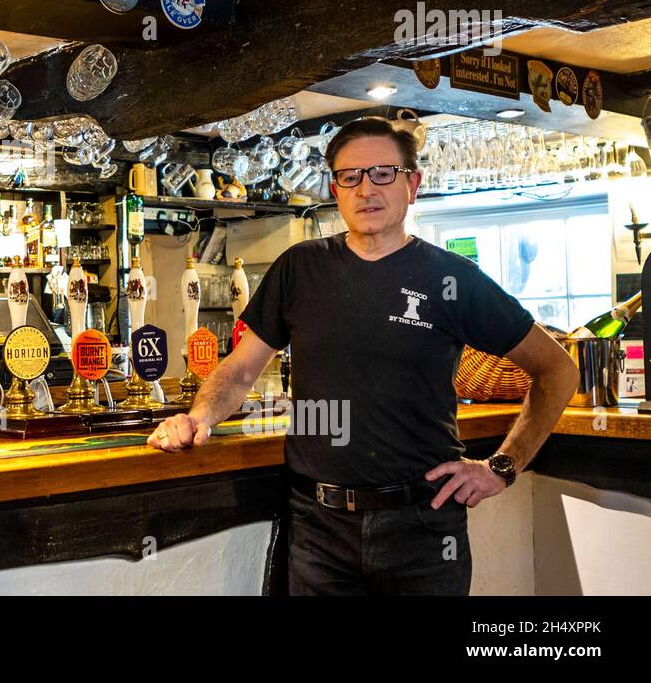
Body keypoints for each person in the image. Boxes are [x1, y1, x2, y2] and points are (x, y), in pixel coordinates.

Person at [148, 116, 577, 594]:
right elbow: (243, 369)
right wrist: (200, 418)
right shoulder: (300, 268)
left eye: (383, 173)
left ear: (412, 183)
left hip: (423, 525)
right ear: (335, 188)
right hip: (318, 528)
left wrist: (502, 465)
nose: (366, 188)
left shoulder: (452, 279)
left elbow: (556, 368)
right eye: (350, 176)